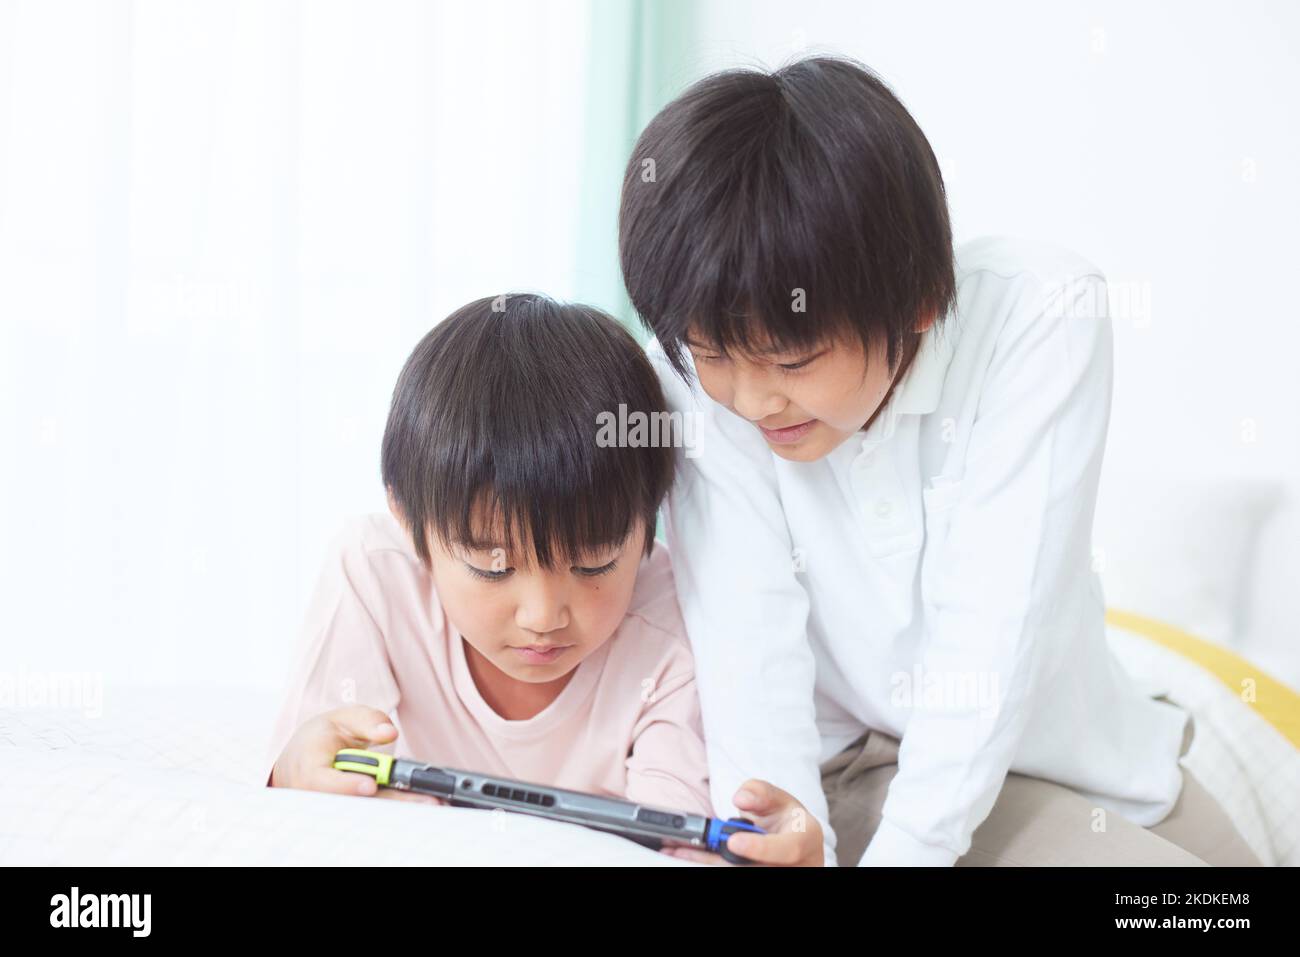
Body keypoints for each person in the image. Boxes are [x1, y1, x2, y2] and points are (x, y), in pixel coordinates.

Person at [618, 55, 1259, 866]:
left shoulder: (1039, 314)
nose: (749, 400)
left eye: (792, 359)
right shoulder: (687, 381)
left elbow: (994, 623)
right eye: (713, 352)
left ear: (920, 297)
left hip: (1074, 757)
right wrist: (785, 836)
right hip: (854, 765)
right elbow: (747, 637)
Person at [265, 294, 714, 823]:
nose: (543, 617)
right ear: (409, 522)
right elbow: (314, 772)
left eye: (593, 563)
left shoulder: (678, 615)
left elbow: (676, 838)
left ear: (651, 516)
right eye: (494, 568)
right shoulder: (375, 572)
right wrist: (300, 772)